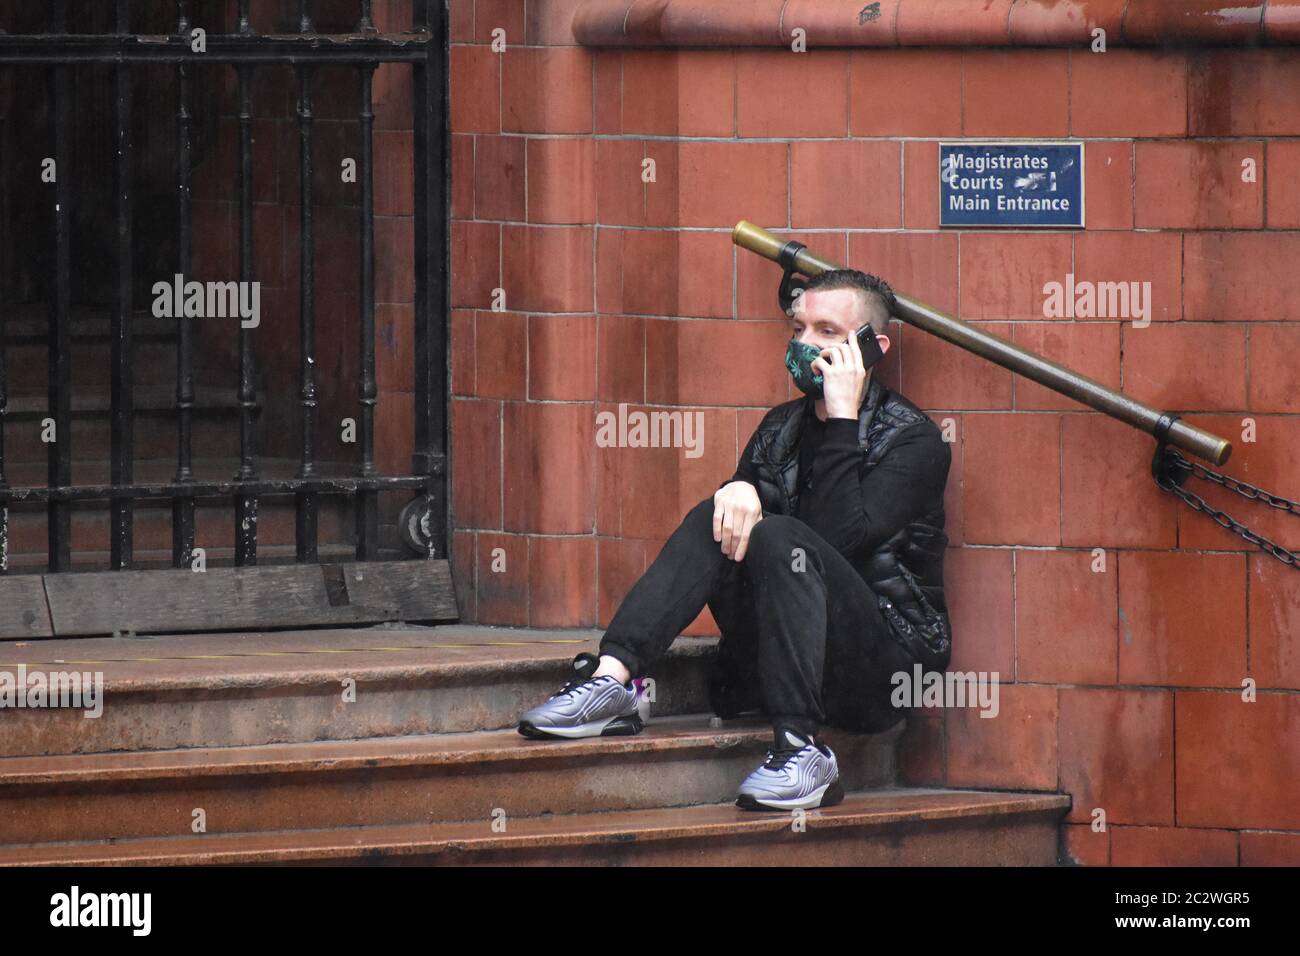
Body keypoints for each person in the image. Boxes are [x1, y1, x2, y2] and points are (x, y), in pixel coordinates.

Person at [517, 269, 954, 812]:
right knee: (715, 514)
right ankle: (612, 682)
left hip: (880, 667)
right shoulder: (779, 430)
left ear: (872, 347)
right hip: (782, 655)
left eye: (827, 332)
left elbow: (839, 541)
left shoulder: (913, 441)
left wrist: (842, 416)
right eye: (799, 328)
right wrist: (737, 489)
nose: (805, 345)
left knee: (780, 540)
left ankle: (802, 751)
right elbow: (747, 539)